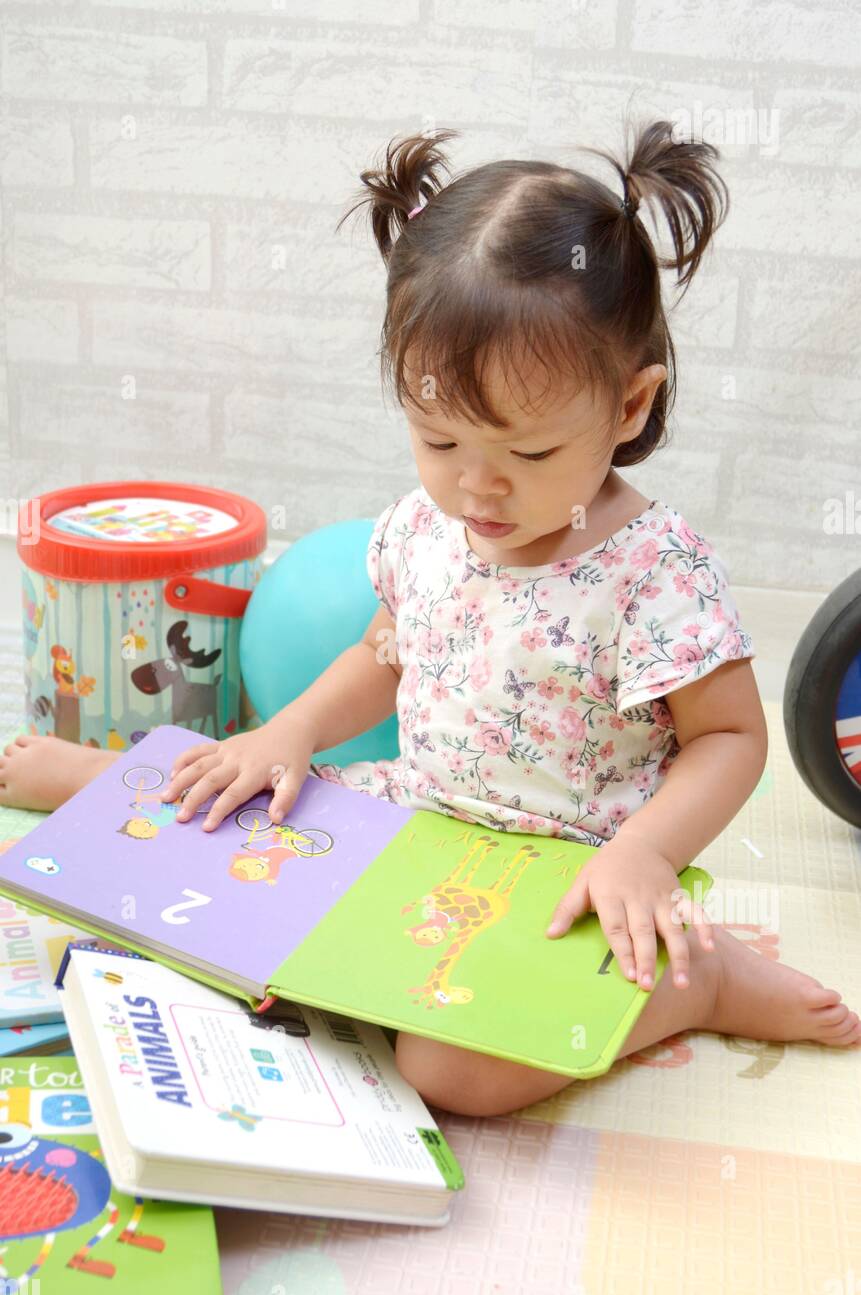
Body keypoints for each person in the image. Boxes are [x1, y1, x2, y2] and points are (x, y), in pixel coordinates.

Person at [3, 120, 858, 1115]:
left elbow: (731, 739)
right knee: (240, 831)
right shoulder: (428, 528)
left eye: (530, 455)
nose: (477, 487)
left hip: (573, 870)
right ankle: (126, 778)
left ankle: (699, 979)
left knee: (450, 1070)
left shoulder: (653, 569)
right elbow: (386, 654)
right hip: (413, 816)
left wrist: (648, 853)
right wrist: (288, 730)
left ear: (630, 408)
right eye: (438, 437)